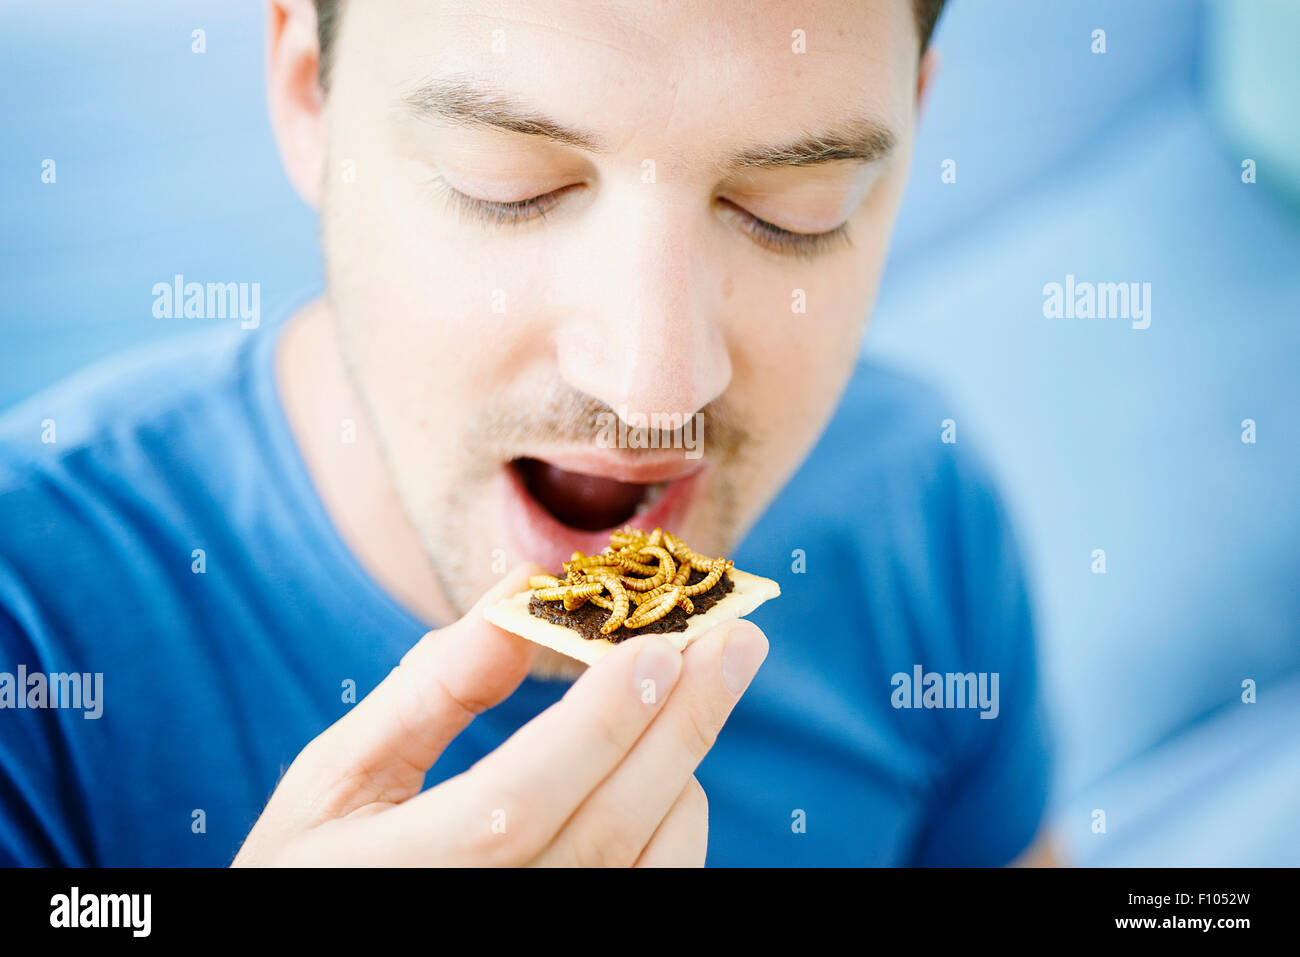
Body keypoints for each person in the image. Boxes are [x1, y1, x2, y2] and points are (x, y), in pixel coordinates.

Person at [0, 0, 1053, 866]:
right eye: (509, 187)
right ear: (305, 93)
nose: (653, 388)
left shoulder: (917, 498)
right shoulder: (29, 631)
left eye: (795, 209)